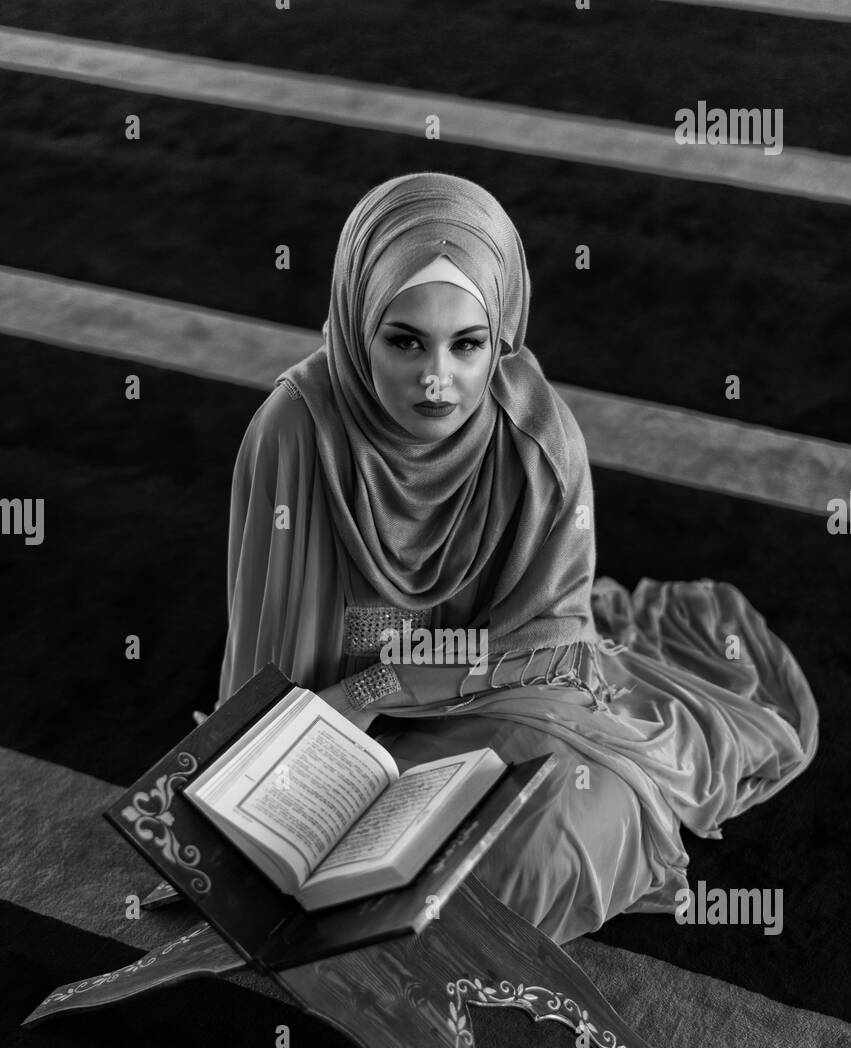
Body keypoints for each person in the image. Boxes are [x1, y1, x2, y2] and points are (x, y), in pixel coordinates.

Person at [215, 171, 818, 943]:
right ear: (354, 321)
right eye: (404, 341)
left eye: (467, 345)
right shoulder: (293, 431)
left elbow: (547, 642)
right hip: (326, 708)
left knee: (544, 851)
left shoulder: (535, 438)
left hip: (488, 690)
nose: (438, 380)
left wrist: (382, 681)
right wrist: (283, 754)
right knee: (272, 855)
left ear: (500, 334)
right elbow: (265, 650)